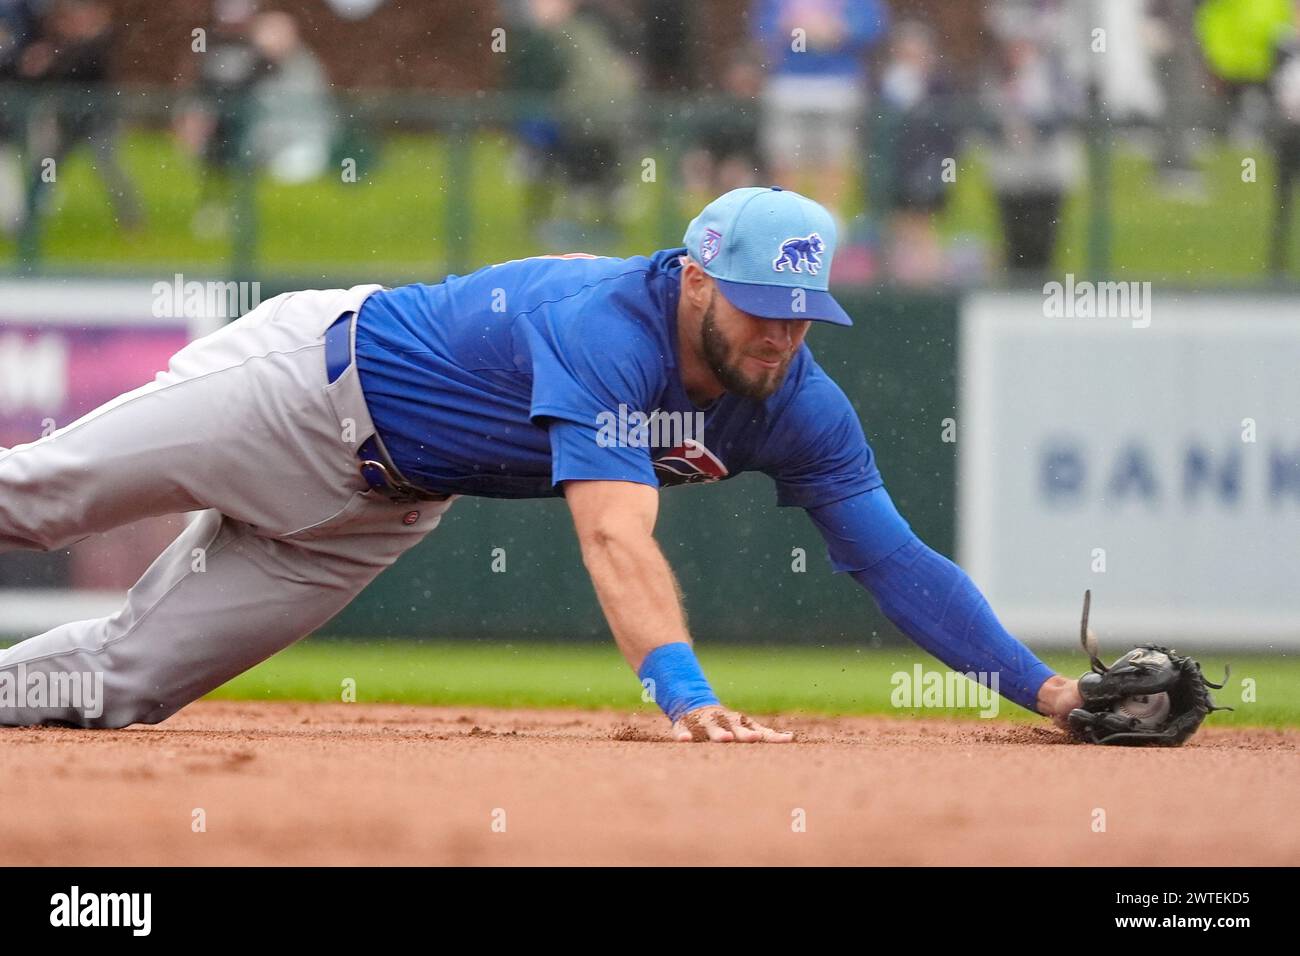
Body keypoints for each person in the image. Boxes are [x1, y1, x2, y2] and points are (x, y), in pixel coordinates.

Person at [0, 187, 1083, 738]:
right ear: (698, 281)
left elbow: (893, 559)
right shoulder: (607, 323)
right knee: (35, 499)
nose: (783, 338)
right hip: (294, 391)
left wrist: (1054, 695)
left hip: (380, 508)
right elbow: (613, 528)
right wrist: (682, 688)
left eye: (805, 317)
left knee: (116, 687)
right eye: (764, 310)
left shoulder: (794, 401)